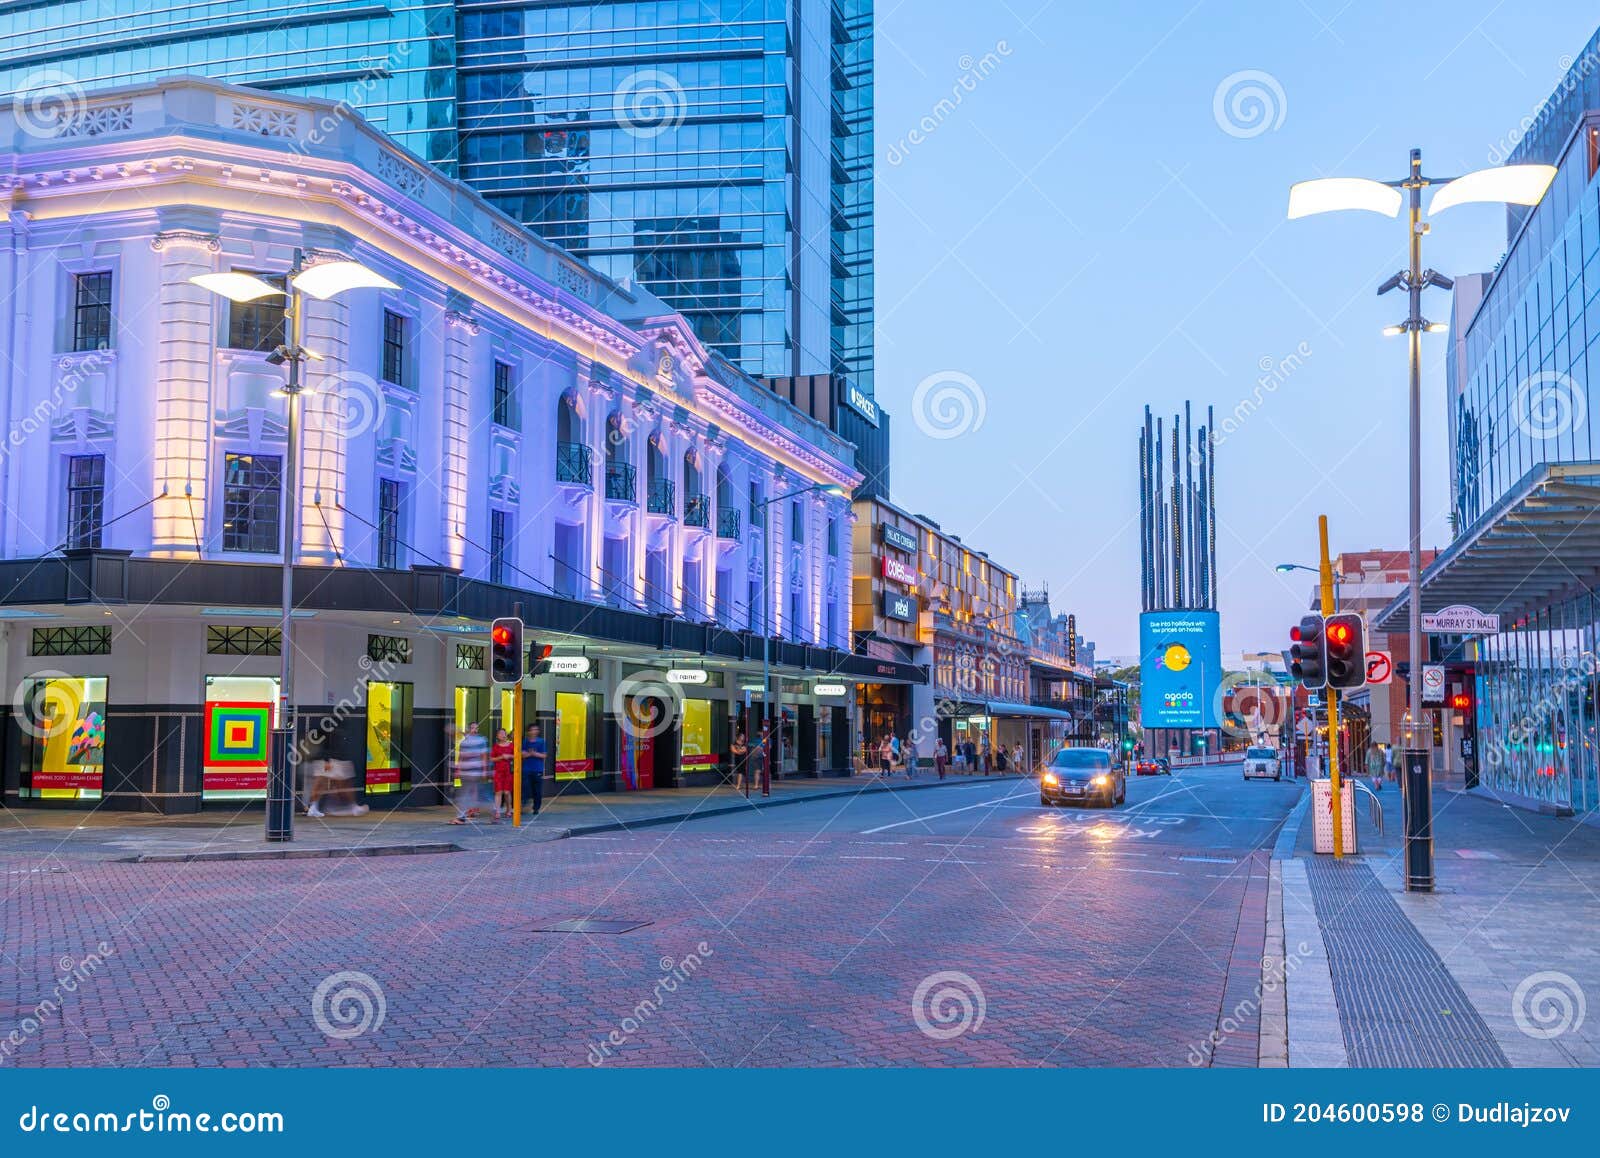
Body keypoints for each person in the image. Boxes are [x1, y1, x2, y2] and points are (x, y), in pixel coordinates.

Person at [451, 721, 490, 825]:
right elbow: (461, 757)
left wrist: (484, 770)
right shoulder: (464, 742)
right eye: (473, 728)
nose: (475, 730)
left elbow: (484, 756)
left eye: (476, 728)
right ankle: (495, 811)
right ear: (469, 729)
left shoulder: (481, 740)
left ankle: (461, 817)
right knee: (470, 794)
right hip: (467, 772)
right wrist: (458, 770)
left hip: (475, 772)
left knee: (467, 795)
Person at [521, 723, 546, 815]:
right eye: (532, 729)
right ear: (529, 731)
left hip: (537, 769)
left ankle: (536, 808)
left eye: (536, 729)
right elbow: (522, 755)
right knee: (525, 789)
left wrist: (532, 754)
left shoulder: (541, 741)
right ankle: (523, 806)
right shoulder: (525, 742)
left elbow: (544, 755)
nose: (534, 731)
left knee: (537, 790)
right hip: (526, 769)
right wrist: (530, 754)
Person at [491, 728, 514, 820]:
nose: (503, 735)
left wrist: (509, 756)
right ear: (497, 736)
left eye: (504, 733)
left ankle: (509, 808)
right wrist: (501, 757)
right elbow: (492, 758)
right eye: (500, 733)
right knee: (498, 792)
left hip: (508, 771)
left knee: (507, 792)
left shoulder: (511, 745)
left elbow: (518, 755)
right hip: (498, 771)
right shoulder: (495, 747)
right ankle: (497, 811)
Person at [731, 729, 750, 793]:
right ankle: (740, 784)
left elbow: (744, 750)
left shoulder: (744, 743)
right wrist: (739, 750)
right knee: (740, 771)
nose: (743, 737)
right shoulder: (734, 743)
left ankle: (739, 785)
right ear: (739, 737)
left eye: (743, 736)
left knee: (741, 771)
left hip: (744, 759)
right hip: (738, 759)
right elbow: (733, 750)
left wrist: (739, 750)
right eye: (742, 736)